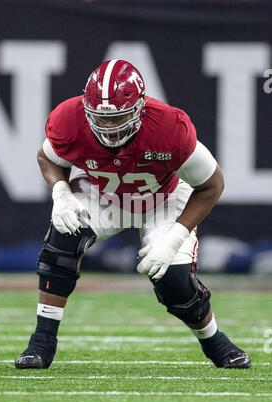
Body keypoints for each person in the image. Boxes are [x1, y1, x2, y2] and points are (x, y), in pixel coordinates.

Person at [15, 59, 251, 369]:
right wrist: (60, 192)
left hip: (163, 198)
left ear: (140, 107)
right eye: (101, 119)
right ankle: (42, 340)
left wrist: (175, 237)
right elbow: (47, 157)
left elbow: (212, 184)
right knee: (62, 240)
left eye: (119, 118)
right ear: (86, 109)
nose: (109, 128)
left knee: (174, 282)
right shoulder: (68, 118)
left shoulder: (169, 127)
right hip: (103, 194)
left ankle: (213, 340)